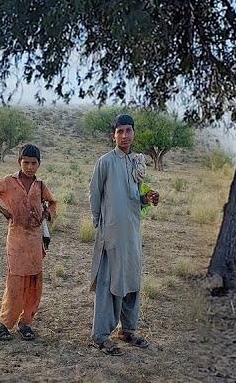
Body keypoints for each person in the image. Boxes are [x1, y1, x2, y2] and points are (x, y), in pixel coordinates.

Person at [88, 113, 161, 355]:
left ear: (134, 133)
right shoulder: (105, 162)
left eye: (128, 130)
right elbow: (95, 195)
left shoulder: (136, 162)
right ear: (114, 135)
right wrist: (100, 226)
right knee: (109, 283)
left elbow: (136, 194)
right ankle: (100, 336)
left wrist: (147, 198)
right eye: (120, 131)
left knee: (131, 280)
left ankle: (127, 331)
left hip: (132, 233)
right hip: (111, 234)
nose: (125, 135)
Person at [0, 143, 59, 342]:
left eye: (33, 163)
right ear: (19, 162)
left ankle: (25, 323)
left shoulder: (40, 185)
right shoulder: (8, 182)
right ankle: (4, 324)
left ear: (39, 164)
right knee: (15, 281)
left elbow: (53, 202)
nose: (29, 167)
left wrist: (47, 213)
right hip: (16, 239)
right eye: (26, 163)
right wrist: (2, 210)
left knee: (34, 282)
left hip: (34, 241)